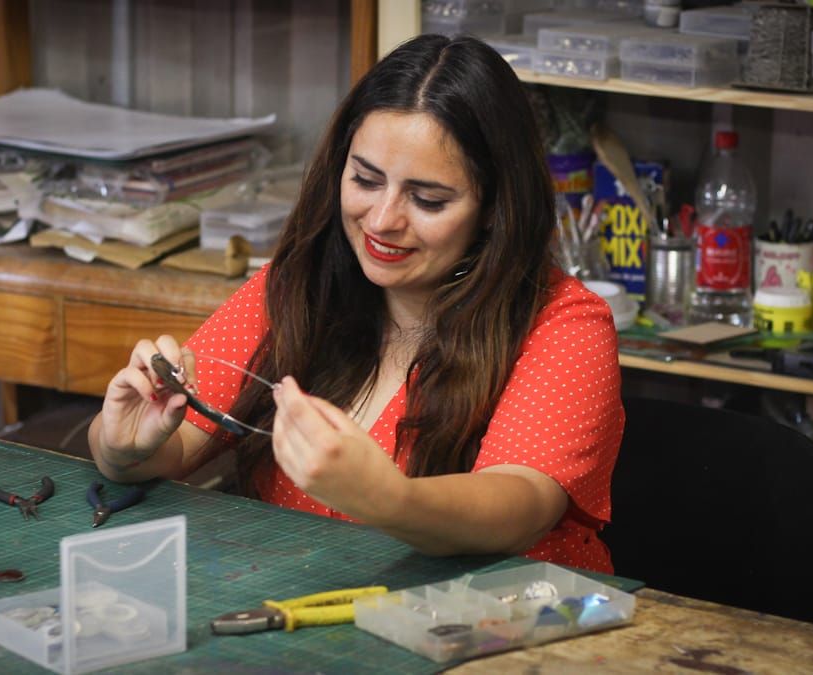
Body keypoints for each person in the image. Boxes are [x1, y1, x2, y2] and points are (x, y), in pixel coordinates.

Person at [88, 33, 624, 573]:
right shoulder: (298, 284)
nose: (383, 219)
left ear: (494, 207)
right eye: (366, 179)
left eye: (428, 199)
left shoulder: (564, 323)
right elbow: (176, 445)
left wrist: (387, 499)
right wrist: (123, 447)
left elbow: (522, 505)